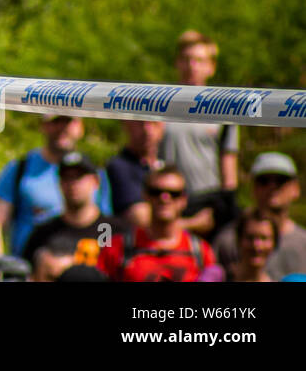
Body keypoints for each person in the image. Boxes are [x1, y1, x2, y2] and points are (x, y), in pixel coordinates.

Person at [0, 115, 111, 258]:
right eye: (55, 122)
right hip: (30, 267)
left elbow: (105, 226)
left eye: (67, 122)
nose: (61, 128)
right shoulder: (20, 169)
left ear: (80, 127)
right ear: (43, 126)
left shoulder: (95, 174)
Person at [159, 31, 239, 236]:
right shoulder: (158, 105)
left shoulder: (223, 109)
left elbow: (228, 168)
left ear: (211, 67)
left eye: (199, 60)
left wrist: (225, 206)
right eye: (186, 60)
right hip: (164, 199)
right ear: (177, 63)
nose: (192, 66)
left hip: (208, 205)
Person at [97, 165, 219, 282]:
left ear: (183, 200)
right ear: (145, 195)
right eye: (156, 192)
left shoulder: (201, 252)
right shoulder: (117, 248)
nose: (164, 198)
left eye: (174, 193)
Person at [212, 152, 306, 280]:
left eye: (281, 181)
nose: (272, 186)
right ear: (253, 188)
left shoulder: (303, 243)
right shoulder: (227, 241)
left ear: (296, 188)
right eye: (264, 181)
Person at [21, 152, 121, 271]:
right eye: (67, 178)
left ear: (95, 181)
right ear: (60, 184)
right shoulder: (43, 234)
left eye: (79, 177)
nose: (73, 184)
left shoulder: (114, 231)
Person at [105, 119, 166, 227]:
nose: (147, 129)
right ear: (126, 124)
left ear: (163, 125)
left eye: (153, 122)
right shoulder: (119, 166)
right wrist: (192, 223)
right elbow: (140, 217)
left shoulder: (166, 164)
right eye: (139, 122)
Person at [227, 208, 279, 282]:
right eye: (250, 238)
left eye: (264, 238)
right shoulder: (220, 278)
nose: (257, 245)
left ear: (274, 242)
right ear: (239, 240)